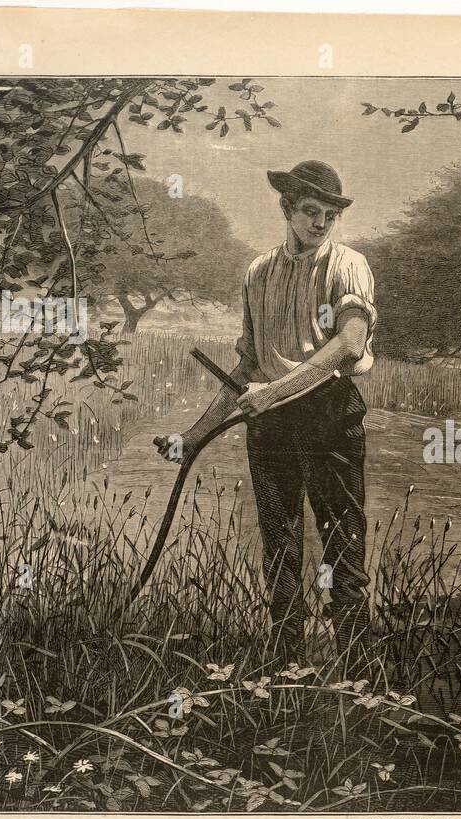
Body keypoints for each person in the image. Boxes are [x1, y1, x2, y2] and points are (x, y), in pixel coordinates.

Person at [155, 160, 376, 662]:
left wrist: (274, 392)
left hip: (329, 412)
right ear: (286, 209)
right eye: (309, 211)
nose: (320, 223)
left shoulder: (348, 265)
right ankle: (284, 666)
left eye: (329, 215)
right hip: (270, 424)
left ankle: (360, 671)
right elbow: (246, 366)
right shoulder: (258, 273)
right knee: (279, 545)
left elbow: (348, 344)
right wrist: (192, 437)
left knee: (343, 541)